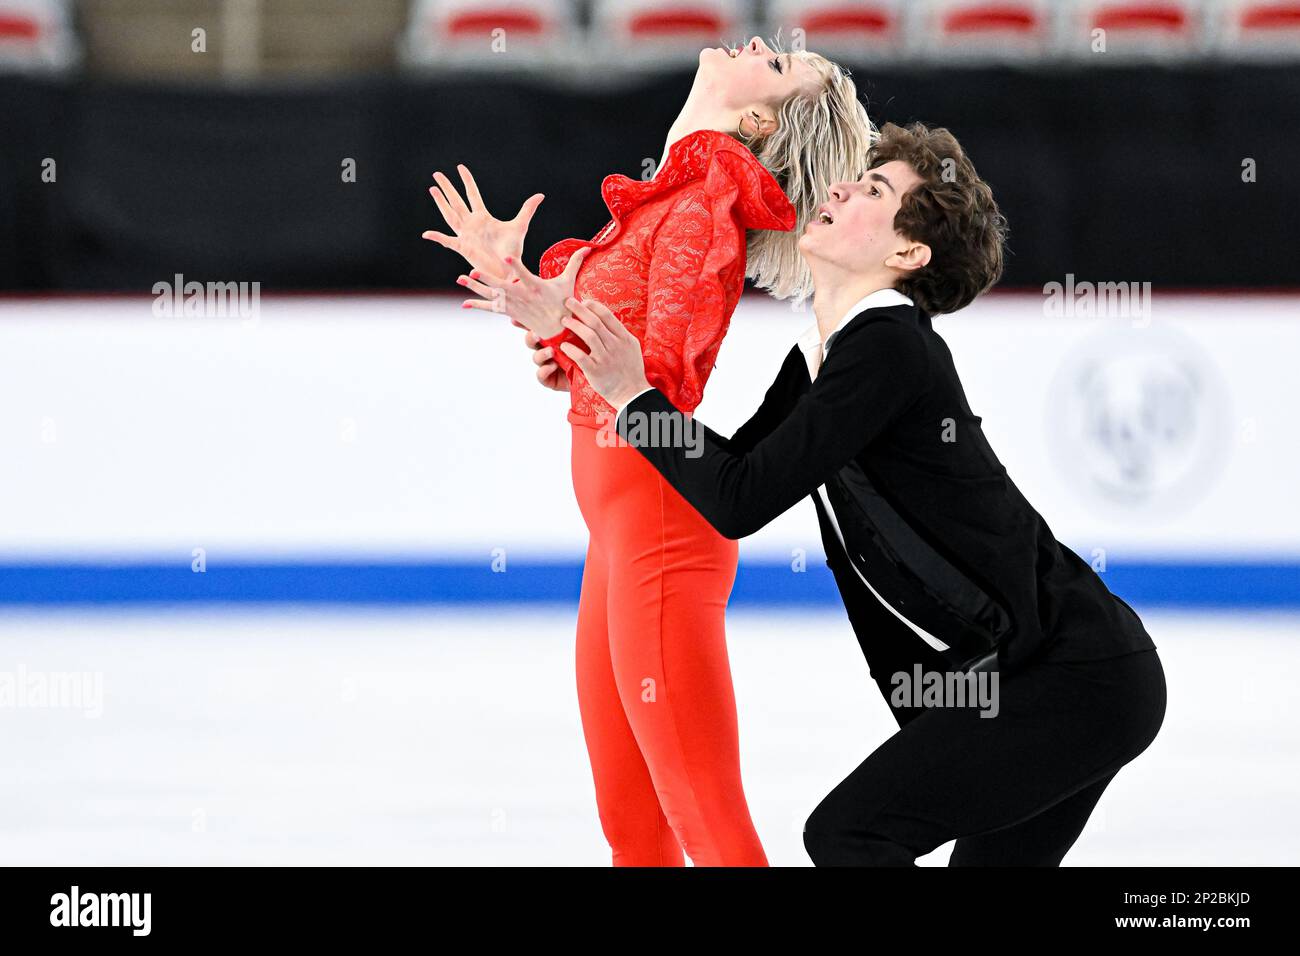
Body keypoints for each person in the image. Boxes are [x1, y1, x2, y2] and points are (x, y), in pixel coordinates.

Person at [548, 121, 1168, 866]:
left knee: (848, 834)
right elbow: (724, 483)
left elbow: (740, 497)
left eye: (875, 188)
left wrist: (636, 399)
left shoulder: (890, 346)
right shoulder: (828, 359)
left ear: (908, 254)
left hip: (1077, 677)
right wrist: (600, 382)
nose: (839, 186)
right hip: (1045, 677)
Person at [427, 36, 876, 866]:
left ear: (756, 120)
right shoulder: (672, 192)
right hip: (620, 534)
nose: (760, 43)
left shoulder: (702, 203)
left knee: (706, 819)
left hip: (662, 533)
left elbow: (660, 381)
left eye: (778, 65)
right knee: (634, 826)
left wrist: (554, 316)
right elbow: (609, 369)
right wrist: (547, 325)